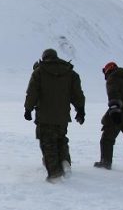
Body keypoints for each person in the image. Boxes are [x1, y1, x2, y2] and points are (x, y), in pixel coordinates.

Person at [24, 48, 85, 182]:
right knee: (61, 139)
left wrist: (28, 109)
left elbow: (32, 92)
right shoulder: (70, 73)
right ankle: (65, 162)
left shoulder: (39, 72)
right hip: (62, 116)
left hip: (44, 116)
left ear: (44, 57)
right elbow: (77, 95)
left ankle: (54, 174)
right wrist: (80, 110)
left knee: (48, 143)